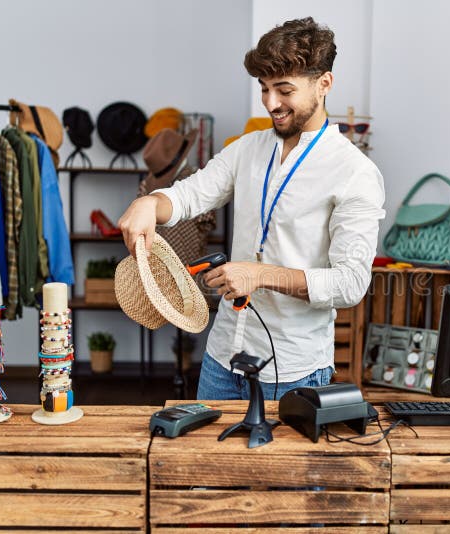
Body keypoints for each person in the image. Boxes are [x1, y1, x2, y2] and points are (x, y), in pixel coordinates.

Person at [118, 17, 385, 400]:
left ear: (324, 84)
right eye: (264, 89)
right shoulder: (249, 148)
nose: (271, 103)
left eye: (284, 90)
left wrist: (260, 275)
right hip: (221, 360)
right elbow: (191, 194)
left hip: (293, 371)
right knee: (202, 462)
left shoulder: (355, 173)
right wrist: (150, 202)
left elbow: (350, 284)